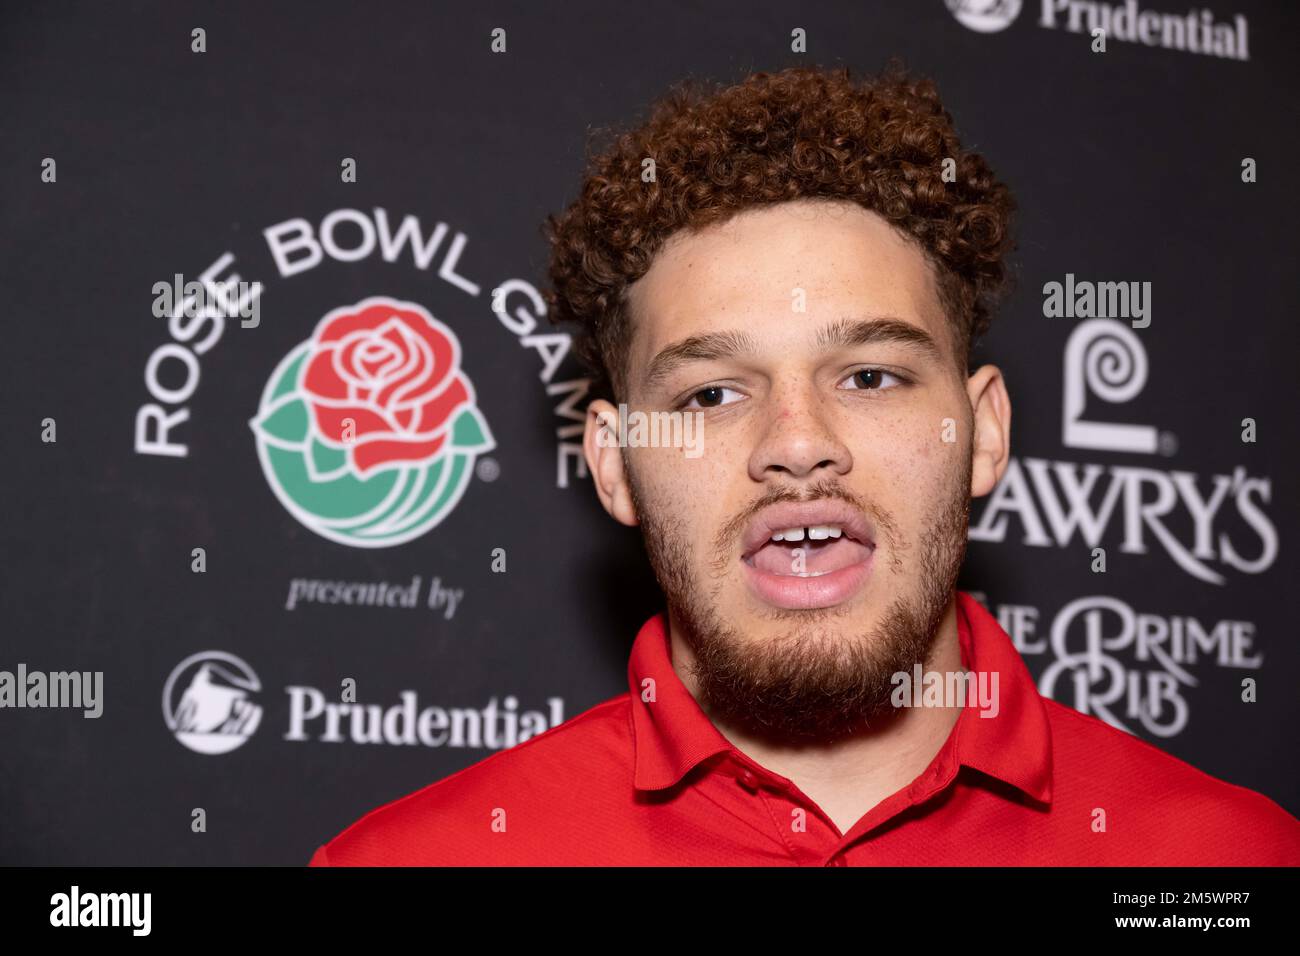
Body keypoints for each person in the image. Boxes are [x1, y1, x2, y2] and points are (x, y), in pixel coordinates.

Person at [308, 64, 1299, 866]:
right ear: (612, 464)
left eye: (869, 374)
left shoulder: (1230, 858)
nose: (794, 441)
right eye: (710, 392)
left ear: (984, 431)